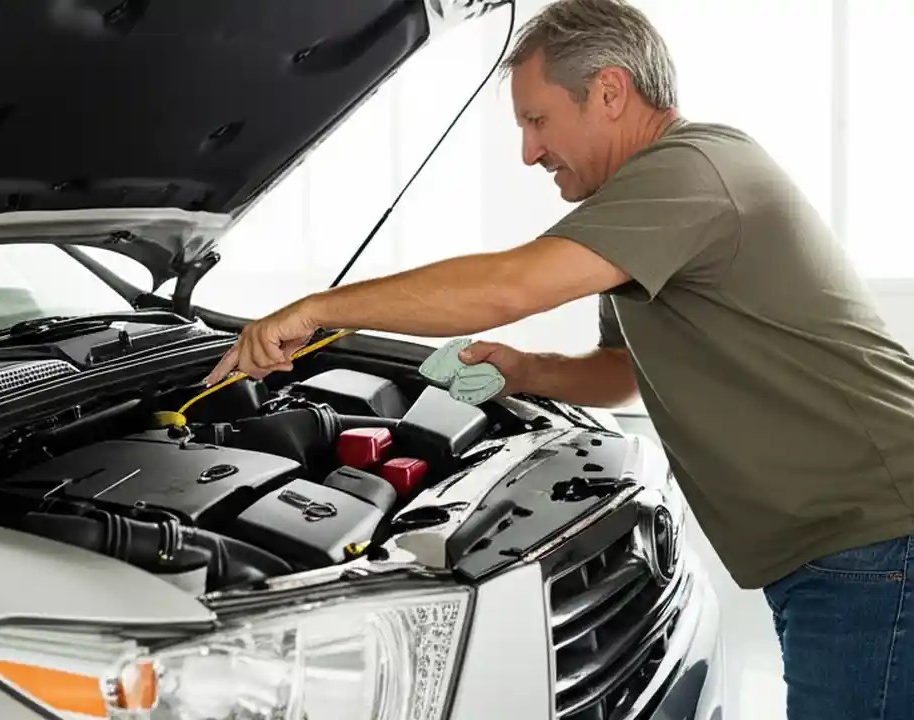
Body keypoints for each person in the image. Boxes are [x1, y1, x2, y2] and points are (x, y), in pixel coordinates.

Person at [205, 1, 914, 717]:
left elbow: (508, 285)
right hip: (837, 551)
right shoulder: (642, 208)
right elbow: (626, 368)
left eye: (536, 120)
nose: (528, 152)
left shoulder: (694, 170)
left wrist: (315, 308)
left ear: (609, 92)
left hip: (876, 541)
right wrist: (525, 370)